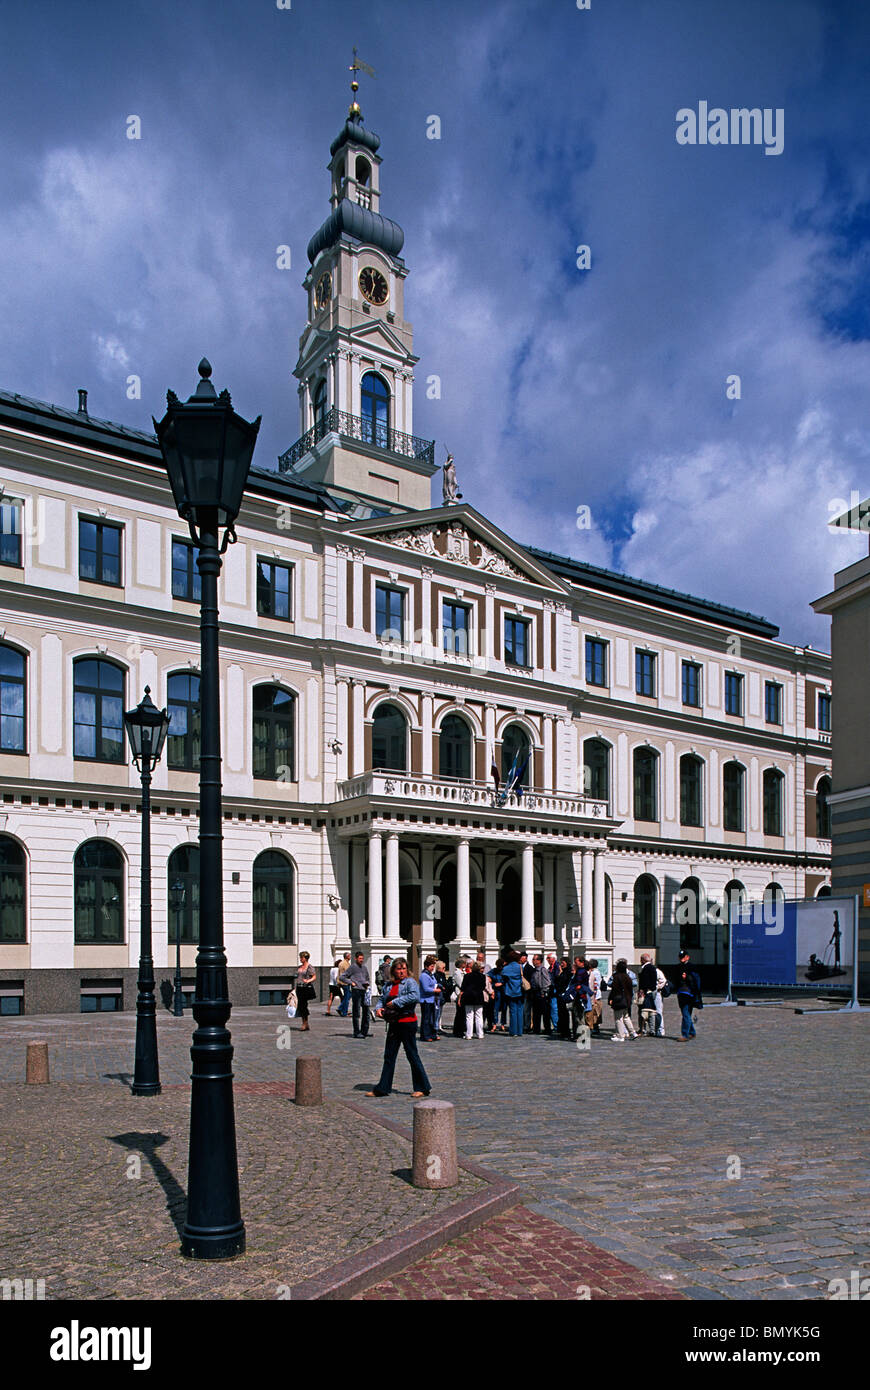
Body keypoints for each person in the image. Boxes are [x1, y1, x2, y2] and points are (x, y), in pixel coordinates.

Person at [366, 959, 431, 1098]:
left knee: (412, 1055)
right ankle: (383, 1088)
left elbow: (414, 996)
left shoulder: (410, 982)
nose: (401, 971)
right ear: (393, 971)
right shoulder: (389, 985)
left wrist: (395, 1003)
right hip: (394, 1023)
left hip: (407, 1023)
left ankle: (422, 1087)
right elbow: (382, 999)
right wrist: (378, 1009)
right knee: (389, 1056)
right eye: (398, 969)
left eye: (404, 968)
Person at [342, 950, 371, 1038]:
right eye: (360, 958)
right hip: (356, 991)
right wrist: (351, 982)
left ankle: (364, 1031)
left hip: (364, 990)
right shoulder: (352, 967)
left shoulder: (364, 967)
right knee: (356, 1011)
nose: (361, 960)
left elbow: (367, 977)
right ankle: (356, 1031)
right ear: (356, 959)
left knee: (366, 1011)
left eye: (362, 958)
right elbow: (342, 977)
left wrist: (367, 983)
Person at [675, 950, 703, 1039]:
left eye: (683, 957)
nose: (681, 959)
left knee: (686, 1013)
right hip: (683, 993)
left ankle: (685, 1034)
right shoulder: (678, 967)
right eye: (680, 957)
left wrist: (686, 977)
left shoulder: (692, 967)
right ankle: (692, 1032)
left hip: (688, 994)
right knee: (686, 1014)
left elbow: (695, 981)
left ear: (687, 957)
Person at [608, 957, 637, 1040]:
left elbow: (614, 989)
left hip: (619, 999)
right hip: (627, 999)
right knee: (626, 1017)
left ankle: (620, 1035)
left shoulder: (617, 977)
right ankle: (633, 1032)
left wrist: (611, 999)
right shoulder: (628, 977)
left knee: (618, 1018)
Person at [459, 960, 487, 1038]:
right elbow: (483, 987)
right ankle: (480, 1034)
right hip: (478, 997)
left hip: (468, 997)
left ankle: (469, 1034)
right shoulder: (482, 976)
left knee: (469, 1016)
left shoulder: (467, 976)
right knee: (479, 1016)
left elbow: (463, 987)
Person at [501, 950, 524, 1036]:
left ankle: (513, 1031)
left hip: (510, 990)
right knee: (520, 1011)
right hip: (520, 990)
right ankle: (519, 1031)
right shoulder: (520, 966)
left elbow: (503, 976)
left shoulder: (506, 968)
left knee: (513, 1011)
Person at [637, 953, 660, 1037]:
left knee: (643, 1011)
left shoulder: (646, 968)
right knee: (651, 1011)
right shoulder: (653, 967)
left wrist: (642, 991)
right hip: (652, 991)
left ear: (643, 960)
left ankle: (643, 1029)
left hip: (646, 992)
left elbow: (645, 981)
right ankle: (652, 1029)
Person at [419, 954, 441, 1042]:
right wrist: (435, 991)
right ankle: (425, 1035)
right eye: (432, 966)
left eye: (433, 966)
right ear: (426, 966)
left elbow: (434, 983)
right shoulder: (424, 975)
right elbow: (426, 988)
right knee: (426, 1019)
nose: (433, 968)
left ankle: (432, 1034)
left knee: (432, 1018)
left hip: (432, 1000)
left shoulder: (431, 975)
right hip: (426, 1000)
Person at [530, 954, 553, 1035]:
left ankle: (547, 1029)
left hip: (542, 993)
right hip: (535, 993)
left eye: (535, 959)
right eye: (533, 959)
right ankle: (536, 1029)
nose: (533, 961)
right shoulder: (534, 970)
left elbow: (547, 982)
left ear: (539, 961)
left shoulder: (542, 970)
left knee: (545, 1012)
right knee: (536, 1012)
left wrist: (544, 991)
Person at [294, 951, 317, 1032]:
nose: (300, 959)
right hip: (299, 987)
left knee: (303, 1005)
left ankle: (305, 1023)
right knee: (300, 1006)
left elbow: (314, 977)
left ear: (305, 958)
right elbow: (297, 976)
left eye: (302, 957)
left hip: (305, 988)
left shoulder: (309, 967)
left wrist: (308, 980)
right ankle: (305, 1023)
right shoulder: (299, 967)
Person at [452, 956, 470, 1037]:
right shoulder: (457, 972)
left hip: (464, 994)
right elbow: (461, 983)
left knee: (462, 1013)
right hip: (459, 995)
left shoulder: (462, 972)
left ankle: (461, 1029)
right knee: (460, 1014)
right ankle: (458, 1031)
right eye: (465, 963)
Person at [586, 958, 603, 1036]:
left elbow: (595, 985)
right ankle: (594, 1027)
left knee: (595, 1012)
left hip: (595, 995)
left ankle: (595, 1027)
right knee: (594, 1012)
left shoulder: (594, 973)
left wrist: (595, 996)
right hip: (595, 994)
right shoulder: (596, 972)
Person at [433, 958, 450, 1032]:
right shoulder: (436, 975)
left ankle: (439, 1026)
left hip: (442, 995)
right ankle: (436, 1026)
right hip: (437, 996)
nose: (444, 969)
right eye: (443, 968)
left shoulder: (442, 975)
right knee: (437, 1012)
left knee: (440, 1012)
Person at [336, 951, 352, 1017]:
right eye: (350, 955)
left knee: (347, 996)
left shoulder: (341, 963)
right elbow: (348, 973)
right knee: (347, 997)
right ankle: (343, 1010)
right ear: (347, 956)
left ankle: (341, 1009)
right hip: (345, 982)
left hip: (341, 981)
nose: (350, 956)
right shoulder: (345, 964)